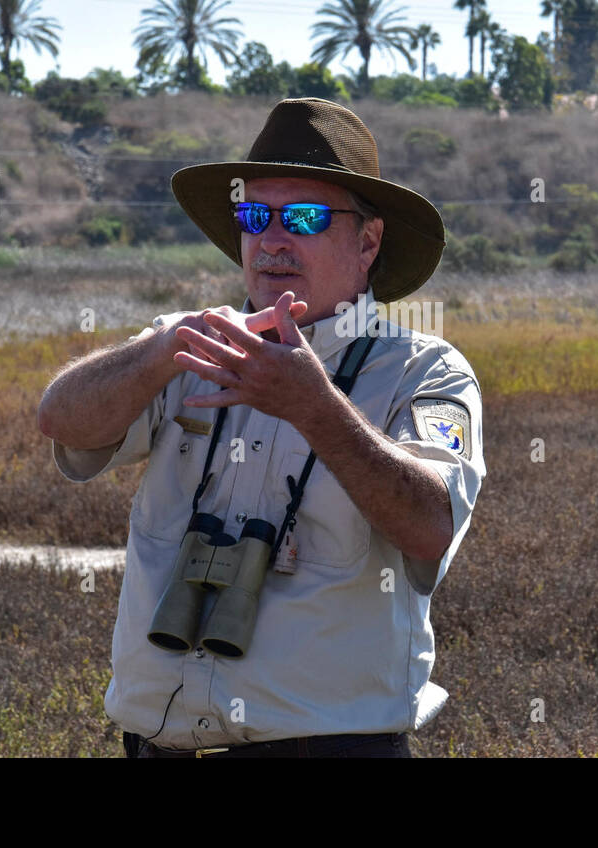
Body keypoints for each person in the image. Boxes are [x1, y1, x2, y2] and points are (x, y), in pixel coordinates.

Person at [37, 97, 485, 758]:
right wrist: (162, 351)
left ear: (367, 243)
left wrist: (315, 407)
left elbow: (431, 524)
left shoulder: (426, 373)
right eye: (255, 215)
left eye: (303, 217)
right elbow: (62, 421)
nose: (272, 239)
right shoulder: (188, 348)